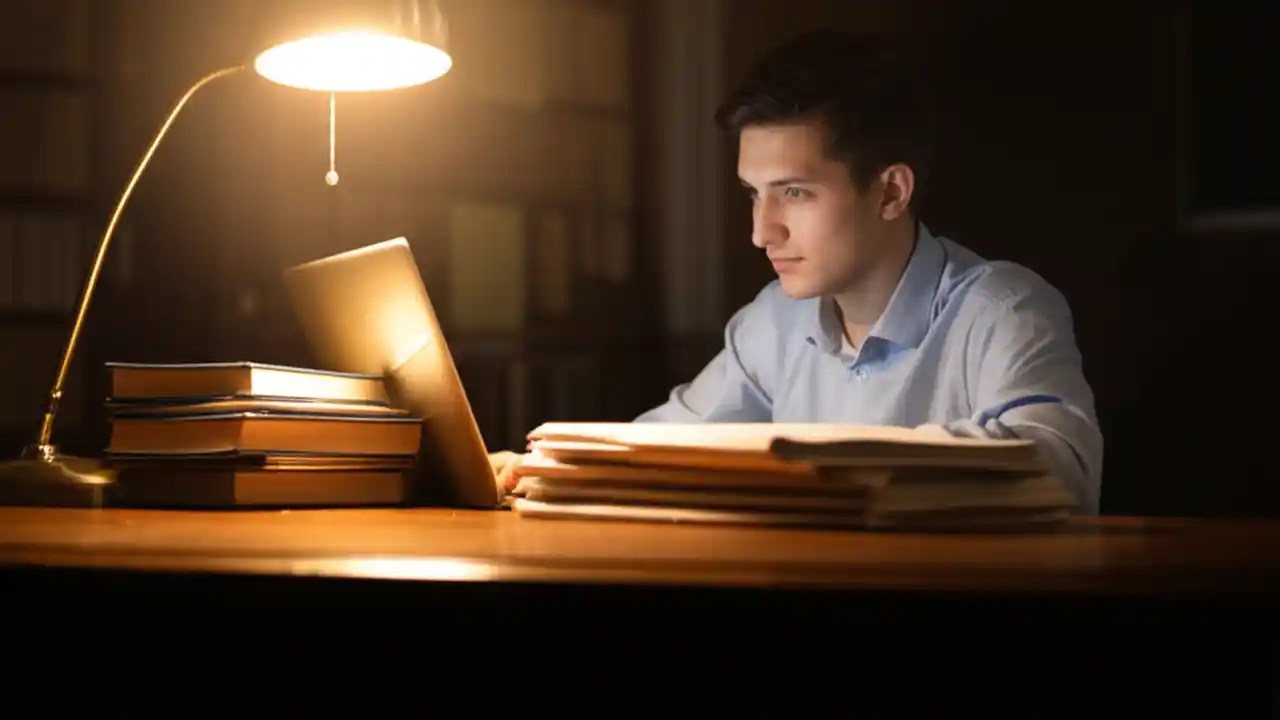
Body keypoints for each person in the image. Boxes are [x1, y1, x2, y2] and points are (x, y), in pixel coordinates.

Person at [494, 31, 1102, 513]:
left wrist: (824, 465)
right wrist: (548, 467)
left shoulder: (1004, 310)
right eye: (753, 194)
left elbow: (1061, 474)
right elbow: (671, 440)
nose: (762, 232)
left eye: (796, 193)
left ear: (891, 191)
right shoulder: (774, 322)